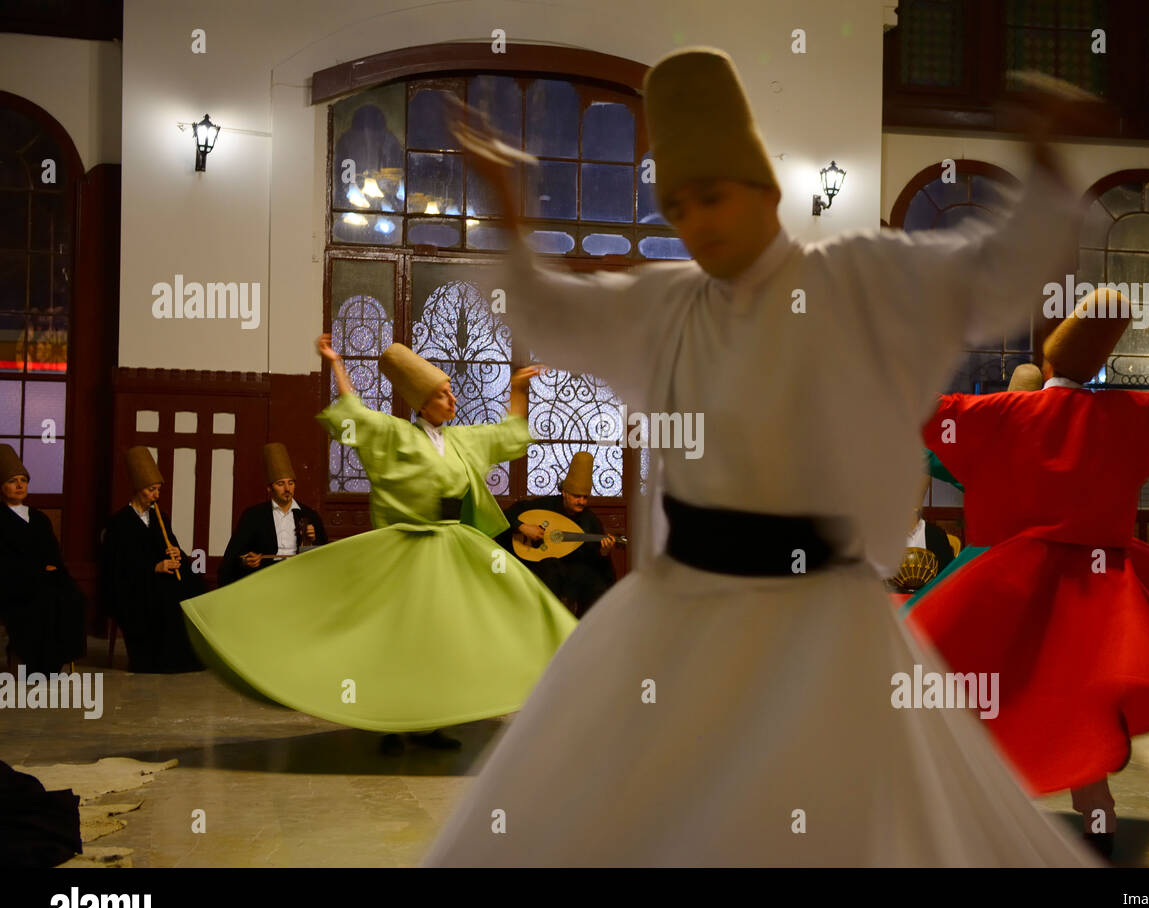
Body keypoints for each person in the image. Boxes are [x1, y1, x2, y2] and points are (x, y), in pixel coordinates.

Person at [425, 50, 1101, 866]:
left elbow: (990, 275)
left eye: (712, 195)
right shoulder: (666, 302)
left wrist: (1048, 165)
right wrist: (508, 212)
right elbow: (550, 311)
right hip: (678, 608)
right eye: (677, 206)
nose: (697, 222)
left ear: (765, 189)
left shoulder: (861, 278)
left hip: (827, 618)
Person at [907, 288, 1149, 857]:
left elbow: (917, 411)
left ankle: (960, 815)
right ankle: (1099, 821)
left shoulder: (994, 414)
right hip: (1099, 591)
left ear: (1045, 364)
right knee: (1079, 707)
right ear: (1099, 365)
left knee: (962, 692)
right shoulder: (1127, 416)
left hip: (1002, 584)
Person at [180, 336, 576, 750]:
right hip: (407, 549)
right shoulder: (397, 436)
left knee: (446, 636)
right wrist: (336, 364)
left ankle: (434, 721)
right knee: (398, 638)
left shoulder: (463, 442)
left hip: (454, 549)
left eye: (451, 392)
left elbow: (506, 437)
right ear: (422, 403)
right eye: (442, 395)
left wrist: (517, 389)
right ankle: (389, 722)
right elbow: (356, 417)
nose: (452, 400)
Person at [901, 362, 1043, 610]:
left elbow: (925, 454)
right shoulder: (1054, 446)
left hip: (996, 555)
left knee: (927, 613)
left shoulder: (986, 450)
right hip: (1037, 560)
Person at [101, 447, 205, 673]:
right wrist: (154, 567)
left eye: (158, 490)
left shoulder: (160, 517)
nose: (156, 495)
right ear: (139, 490)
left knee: (193, 586)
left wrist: (178, 554)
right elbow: (117, 566)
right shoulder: (119, 523)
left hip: (161, 577)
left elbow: (172, 544)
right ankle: (160, 660)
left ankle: (189, 656)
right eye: (151, 490)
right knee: (164, 597)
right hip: (135, 584)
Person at [0, 444, 86, 673]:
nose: (19, 486)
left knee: (72, 597)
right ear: (2, 487)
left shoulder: (38, 518)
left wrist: (51, 570)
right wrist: (36, 570)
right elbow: (4, 559)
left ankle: (59, 659)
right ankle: (35, 664)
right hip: (14, 582)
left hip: (47, 577)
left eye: (23, 480)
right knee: (41, 601)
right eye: (12, 481)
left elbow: (52, 553)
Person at [498, 451, 617, 616]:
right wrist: (523, 527)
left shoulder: (590, 521)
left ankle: (584, 631)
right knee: (550, 567)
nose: (581, 501)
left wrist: (603, 553)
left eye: (585, 497)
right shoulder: (545, 505)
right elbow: (506, 515)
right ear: (565, 492)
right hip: (543, 568)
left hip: (572, 575)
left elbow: (596, 564)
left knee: (596, 583)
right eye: (576, 496)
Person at [219, 443, 328, 586]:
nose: (287, 489)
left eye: (291, 483)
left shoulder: (309, 515)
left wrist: (312, 540)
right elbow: (234, 557)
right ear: (269, 488)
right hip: (265, 579)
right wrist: (247, 560)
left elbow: (323, 556)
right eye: (280, 484)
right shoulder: (253, 516)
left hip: (299, 578)